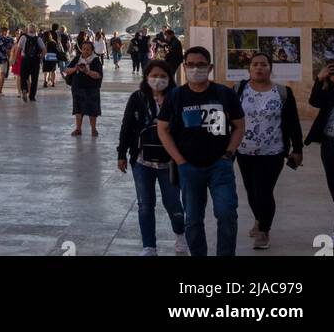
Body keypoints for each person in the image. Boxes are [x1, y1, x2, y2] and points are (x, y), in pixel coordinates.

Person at [157, 45, 244, 257]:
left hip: (219, 165)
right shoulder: (176, 96)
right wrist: (179, 161)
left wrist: (229, 153)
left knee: (226, 214)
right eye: (191, 65)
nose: (196, 69)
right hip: (188, 167)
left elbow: (239, 126)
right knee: (193, 220)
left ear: (210, 67)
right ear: (185, 67)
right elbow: (163, 129)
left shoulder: (224, 94)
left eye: (201, 65)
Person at [117, 59, 187, 256]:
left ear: (170, 78)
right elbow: (127, 126)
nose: (158, 80)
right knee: (145, 204)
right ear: (146, 77)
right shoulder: (138, 98)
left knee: (173, 202)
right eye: (154, 76)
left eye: (163, 76)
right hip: (142, 160)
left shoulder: (178, 97)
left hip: (169, 161)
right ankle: (149, 246)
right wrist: (121, 154)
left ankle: (181, 235)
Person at [234, 51, 303, 248]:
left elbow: (293, 123)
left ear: (270, 68)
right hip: (244, 150)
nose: (259, 68)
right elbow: (230, 120)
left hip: (272, 152)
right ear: (249, 68)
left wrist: (297, 149)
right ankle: (259, 218)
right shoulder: (238, 89)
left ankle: (264, 231)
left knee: (264, 191)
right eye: (255, 64)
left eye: (263, 64)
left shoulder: (283, 92)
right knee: (251, 191)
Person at [305, 51, 334, 233]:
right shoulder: (326, 92)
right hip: (329, 146)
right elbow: (314, 102)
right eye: (333, 72)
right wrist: (319, 79)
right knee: (333, 187)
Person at [66, 39, 103, 135]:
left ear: (92, 50)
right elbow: (66, 70)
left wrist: (87, 71)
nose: (85, 51)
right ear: (81, 49)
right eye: (84, 49)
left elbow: (98, 75)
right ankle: (78, 129)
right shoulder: (77, 58)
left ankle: (93, 129)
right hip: (77, 87)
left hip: (92, 88)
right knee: (78, 109)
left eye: (88, 49)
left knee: (92, 110)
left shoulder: (95, 60)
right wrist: (76, 68)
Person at [14, 24, 46, 102]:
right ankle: (32, 96)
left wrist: (16, 59)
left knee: (23, 76)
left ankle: (24, 89)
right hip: (35, 60)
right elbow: (44, 50)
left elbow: (18, 50)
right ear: (35, 30)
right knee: (34, 79)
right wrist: (41, 57)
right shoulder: (38, 39)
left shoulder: (23, 37)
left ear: (27, 30)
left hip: (25, 59)